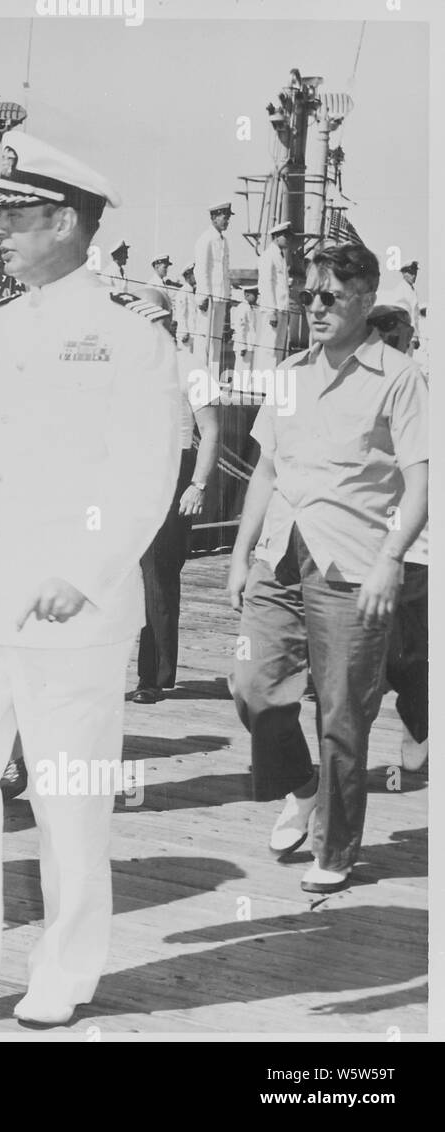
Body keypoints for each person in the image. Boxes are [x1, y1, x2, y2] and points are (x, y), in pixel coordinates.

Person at [0, 133, 181, 1027]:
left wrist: (82, 571)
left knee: (69, 794)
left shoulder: (132, 338)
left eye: (14, 216)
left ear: (65, 220)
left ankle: (66, 966)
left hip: (68, 608)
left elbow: (144, 472)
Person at [228, 243, 429, 894]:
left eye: (329, 297)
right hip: (279, 555)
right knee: (254, 689)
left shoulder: (399, 377)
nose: (313, 308)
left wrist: (391, 562)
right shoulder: (288, 374)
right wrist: (238, 553)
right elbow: (265, 469)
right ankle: (304, 787)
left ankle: (336, 848)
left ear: (366, 300)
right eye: (306, 297)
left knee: (342, 715)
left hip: (353, 562)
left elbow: (423, 485)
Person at [133, 290, 222, 704]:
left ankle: (153, 676)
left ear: (168, 321)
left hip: (175, 471)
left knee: (158, 574)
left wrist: (198, 484)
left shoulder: (190, 366)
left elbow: (212, 430)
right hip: (133, 473)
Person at [367, 290, 428, 772]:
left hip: (421, 544)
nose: (389, 340)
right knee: (370, 651)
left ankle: (418, 721)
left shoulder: (424, 386)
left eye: (396, 334)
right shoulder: (363, 387)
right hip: (367, 540)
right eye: (381, 332)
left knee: (411, 656)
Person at [192, 202, 233, 377]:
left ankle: (213, 378)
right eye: (224, 217)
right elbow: (201, 269)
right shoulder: (205, 239)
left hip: (220, 296)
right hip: (208, 297)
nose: (227, 221)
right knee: (204, 341)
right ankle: (199, 377)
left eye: (228, 218)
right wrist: (202, 295)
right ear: (214, 217)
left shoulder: (224, 241)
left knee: (216, 341)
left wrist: (227, 295)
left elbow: (224, 270)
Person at [256, 222, 293, 368]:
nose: (288, 239)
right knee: (269, 348)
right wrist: (271, 311)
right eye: (286, 236)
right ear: (276, 236)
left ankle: (272, 384)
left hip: (282, 309)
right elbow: (266, 284)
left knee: (279, 349)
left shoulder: (281, 257)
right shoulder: (268, 256)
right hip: (273, 310)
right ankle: (263, 385)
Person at [232, 285, 259, 369]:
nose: (257, 298)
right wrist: (242, 346)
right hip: (244, 346)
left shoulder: (249, 307)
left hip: (249, 345)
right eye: (255, 295)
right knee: (242, 369)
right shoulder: (243, 307)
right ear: (247, 295)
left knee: (247, 370)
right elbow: (240, 327)